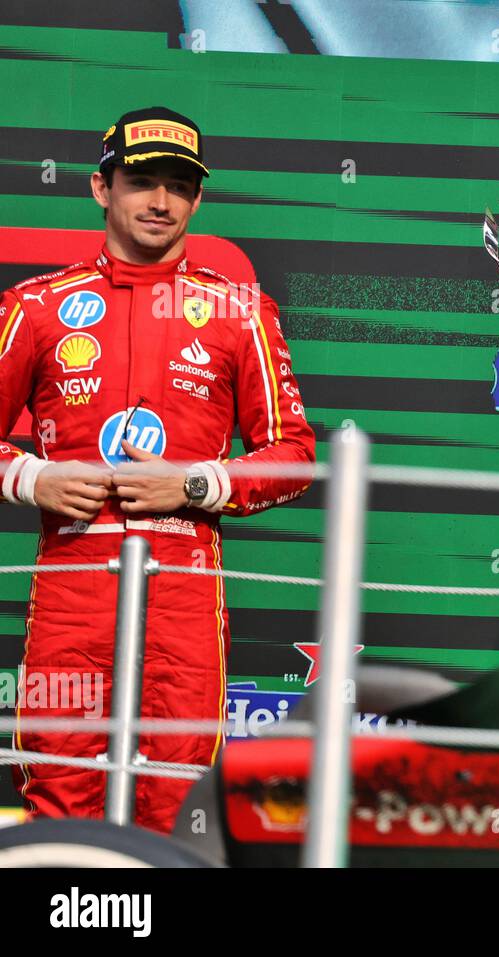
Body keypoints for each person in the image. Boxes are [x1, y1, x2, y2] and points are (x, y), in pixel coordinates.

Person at [0, 107, 315, 833]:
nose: (161, 201)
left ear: (198, 199)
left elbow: (295, 455)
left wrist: (196, 482)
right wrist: (34, 479)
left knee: (175, 795)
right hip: (71, 587)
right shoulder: (37, 306)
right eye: (142, 181)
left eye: (179, 185)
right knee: (59, 789)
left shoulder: (240, 311)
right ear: (99, 188)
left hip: (185, 592)